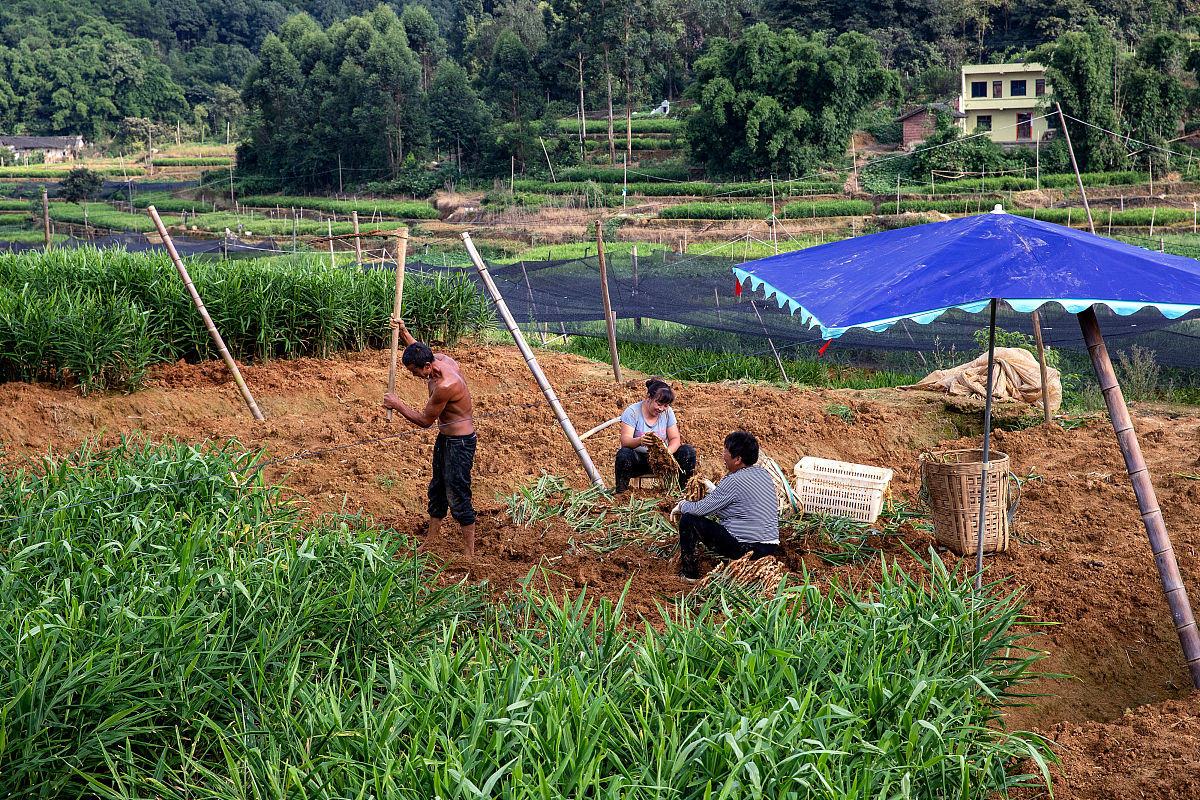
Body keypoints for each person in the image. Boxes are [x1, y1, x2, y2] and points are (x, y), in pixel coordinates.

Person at [382, 317, 477, 556]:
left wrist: (398, 404)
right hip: (445, 439)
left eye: (414, 371)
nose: (413, 375)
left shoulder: (445, 384)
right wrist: (403, 332)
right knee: (437, 490)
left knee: (457, 493)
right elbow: (418, 348)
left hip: (460, 443)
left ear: (426, 367)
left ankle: (469, 553)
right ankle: (432, 541)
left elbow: (425, 421)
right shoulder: (438, 359)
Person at [671, 430, 778, 580]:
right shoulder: (763, 475)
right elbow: (737, 506)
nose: (723, 455)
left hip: (745, 547)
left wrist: (683, 505)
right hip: (769, 546)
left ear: (738, 459)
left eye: (726, 451)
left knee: (688, 520)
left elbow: (700, 510)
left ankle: (689, 575)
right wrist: (714, 490)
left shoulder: (733, 481)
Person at [614, 378, 697, 493]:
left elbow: (675, 438)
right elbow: (625, 441)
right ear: (648, 398)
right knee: (624, 454)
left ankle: (684, 492)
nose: (661, 409)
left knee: (688, 452)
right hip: (639, 461)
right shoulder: (633, 412)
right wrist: (640, 441)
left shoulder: (668, 412)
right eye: (659, 404)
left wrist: (667, 453)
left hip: (662, 462)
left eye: (665, 406)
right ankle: (621, 494)